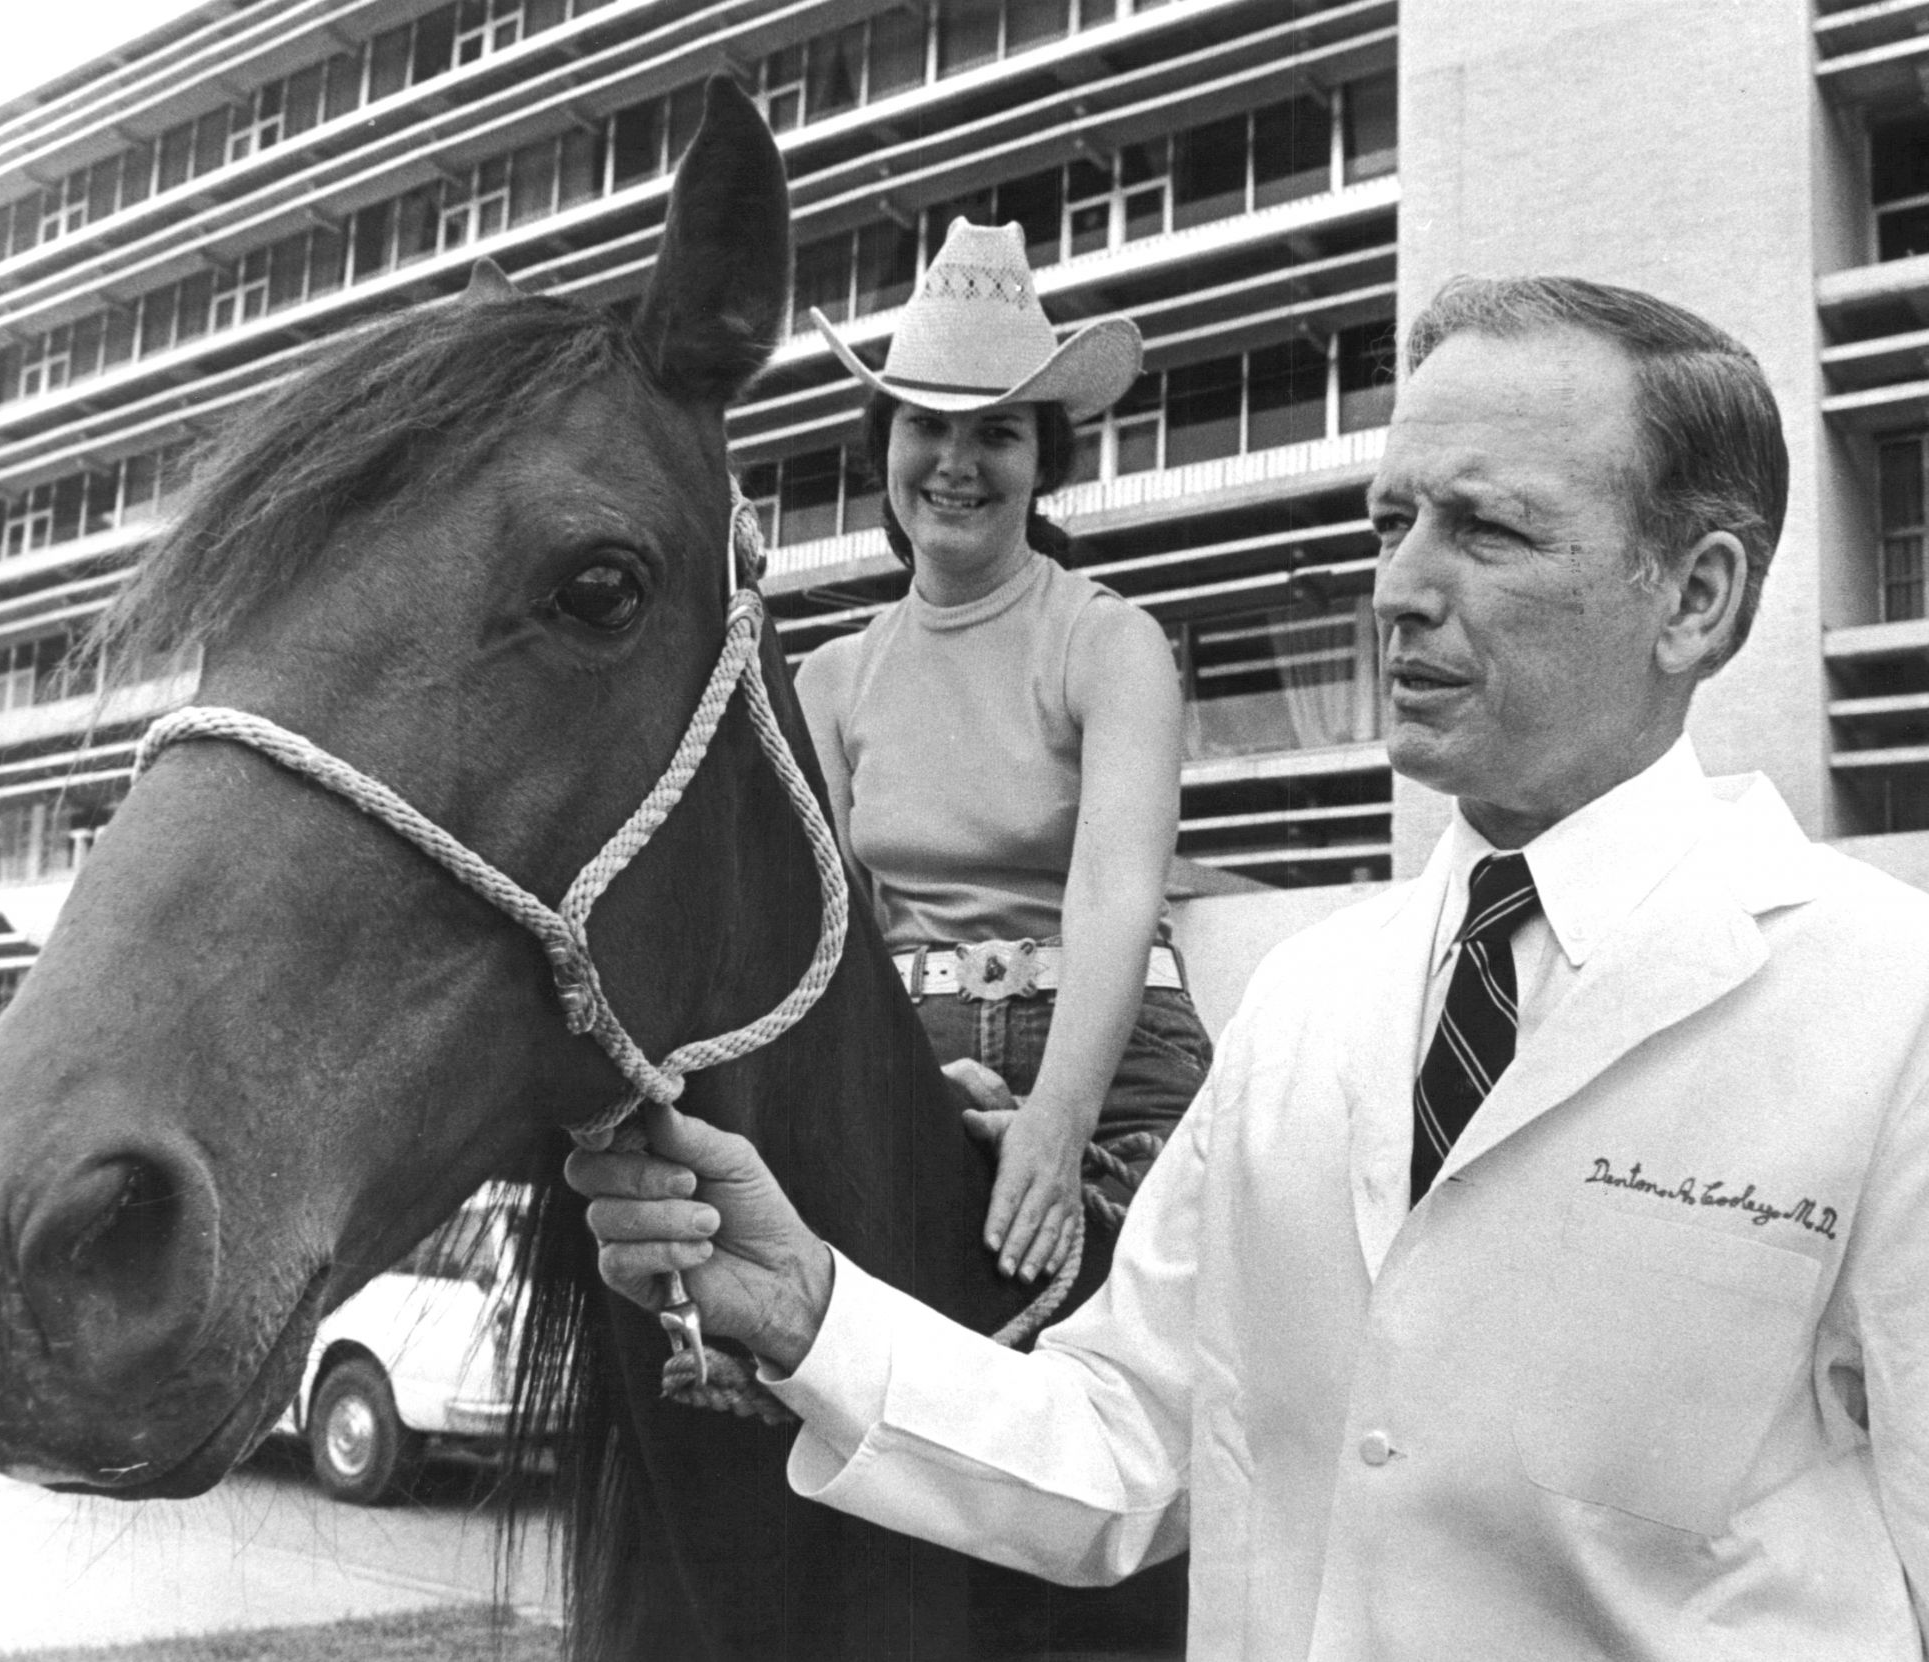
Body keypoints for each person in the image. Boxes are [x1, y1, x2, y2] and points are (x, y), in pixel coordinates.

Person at [572, 273, 1929, 1660]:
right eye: (1392, 523)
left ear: (1697, 598)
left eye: (1488, 529)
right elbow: (1117, 1446)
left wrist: (1056, 1120)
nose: (1398, 588)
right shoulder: (1303, 1009)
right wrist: (806, 1306)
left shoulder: (1889, 1012)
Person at [795, 218, 1212, 1289]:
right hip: (906, 1051)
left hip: (1110, 1063)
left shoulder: (1109, 641)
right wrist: (904, 1085)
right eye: (925, 426)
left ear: (1042, 463)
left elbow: (1116, 892)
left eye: (997, 433)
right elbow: (827, 933)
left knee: (1118, 1329)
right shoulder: (829, 680)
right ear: (881, 444)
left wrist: (1056, 1125)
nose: (955, 463)